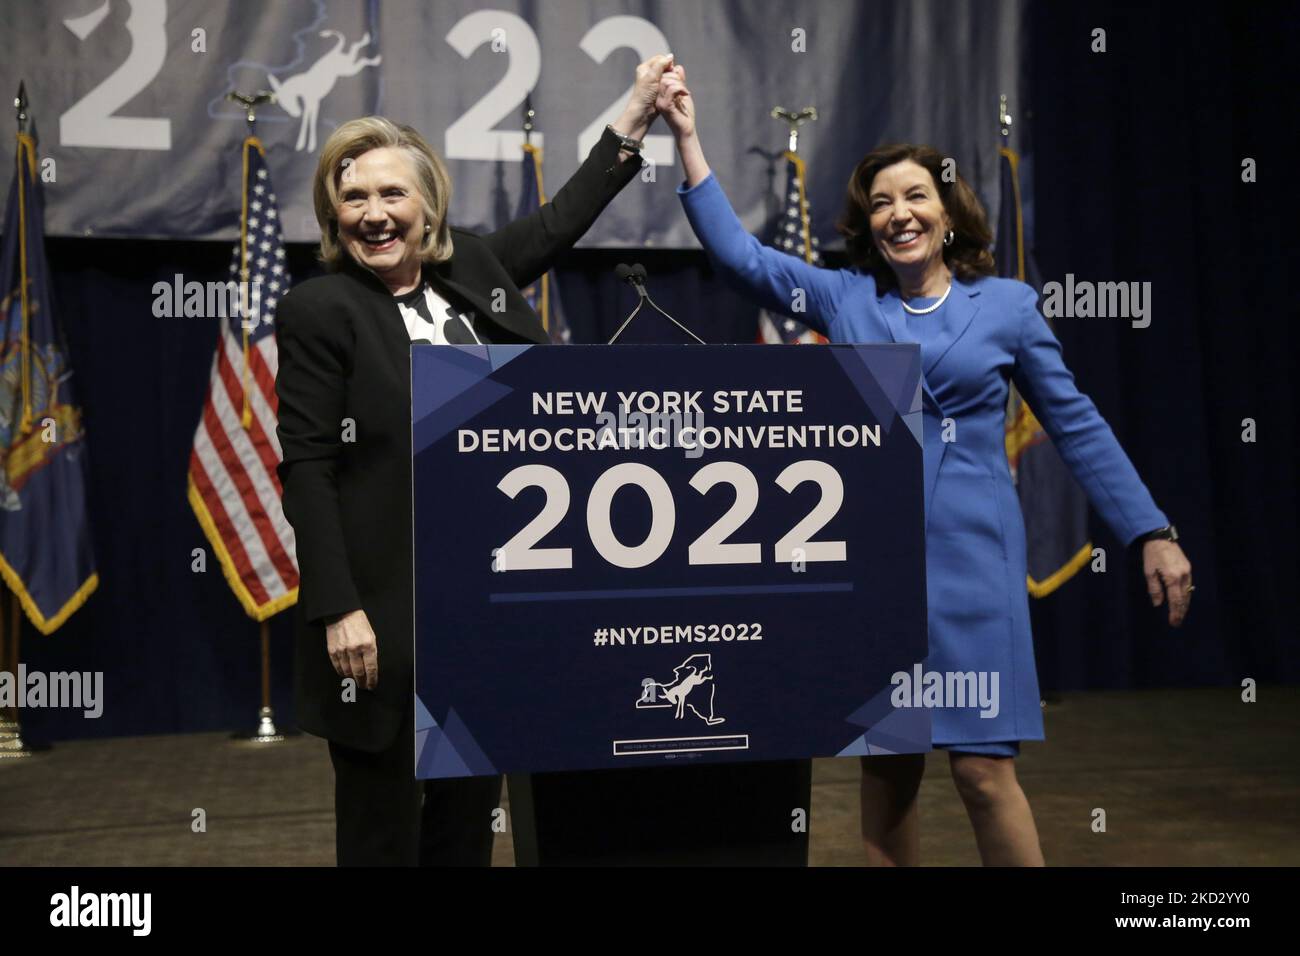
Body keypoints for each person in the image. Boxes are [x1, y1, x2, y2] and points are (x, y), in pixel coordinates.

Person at [654, 67, 1193, 865]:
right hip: (878, 569)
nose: (897, 213)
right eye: (879, 202)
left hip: (974, 563)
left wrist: (1150, 528)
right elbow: (739, 257)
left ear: (948, 212)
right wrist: (687, 138)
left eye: (914, 196)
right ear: (865, 222)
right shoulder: (846, 299)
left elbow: (1076, 424)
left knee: (982, 772)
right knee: (889, 771)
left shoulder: (1007, 306)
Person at [275, 54, 677, 866]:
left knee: (464, 834)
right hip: (383, 622)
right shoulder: (322, 309)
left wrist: (636, 113)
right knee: (383, 837)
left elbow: (561, 219)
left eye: (393, 194)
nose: (375, 213)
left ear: (428, 207)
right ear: (331, 213)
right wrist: (337, 609)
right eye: (354, 197)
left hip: (486, 611)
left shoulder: (474, 277)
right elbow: (309, 468)